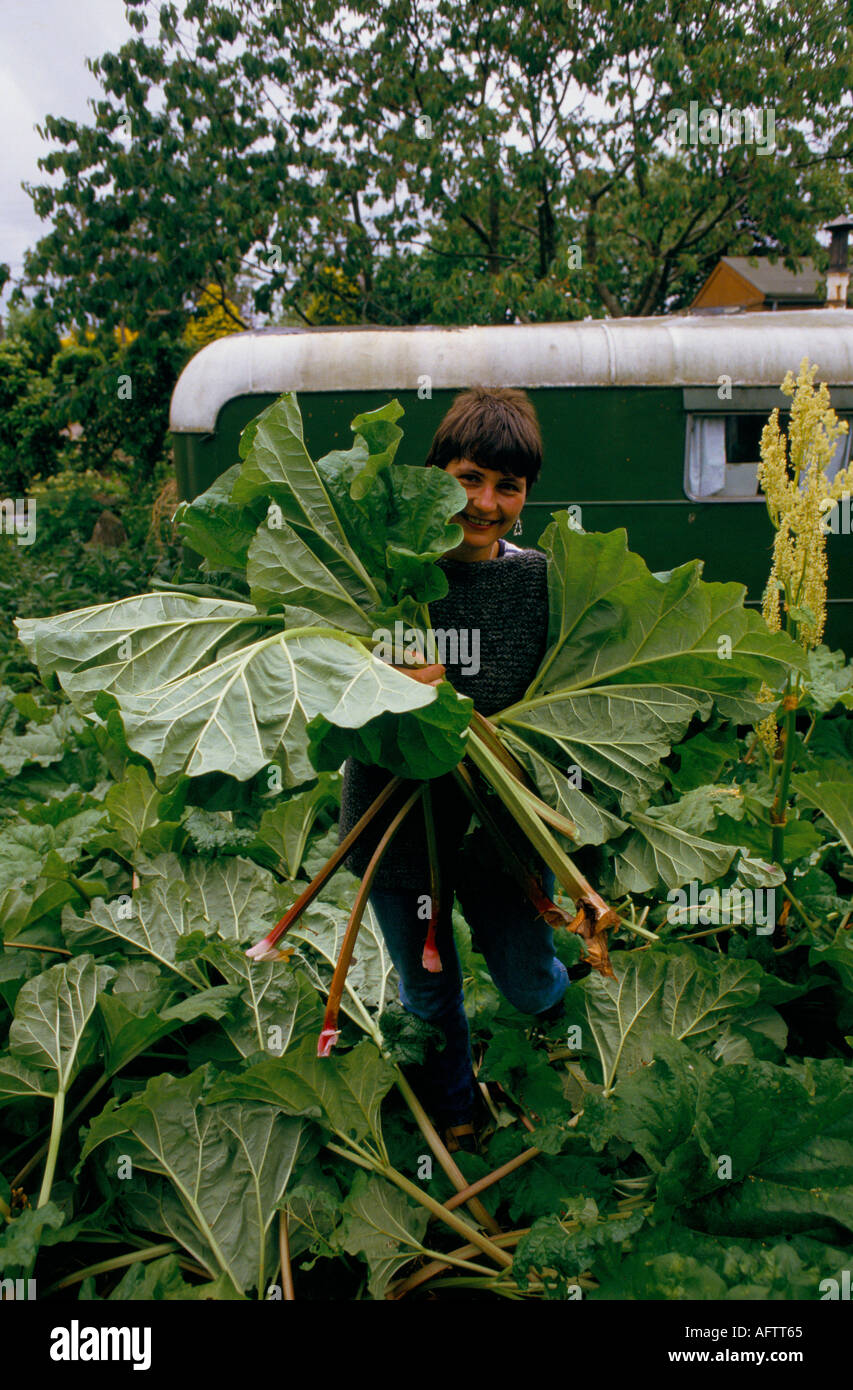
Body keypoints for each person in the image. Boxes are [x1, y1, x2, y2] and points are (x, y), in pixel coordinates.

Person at [337, 387, 568, 1152]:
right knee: (429, 993)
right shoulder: (382, 579)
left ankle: (562, 1067)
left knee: (529, 980)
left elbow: (563, 704)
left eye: (508, 486)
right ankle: (457, 1115)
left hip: (505, 832)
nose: (486, 502)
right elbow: (326, 690)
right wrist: (386, 680)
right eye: (467, 479)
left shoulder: (541, 580)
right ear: (435, 477)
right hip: (399, 829)